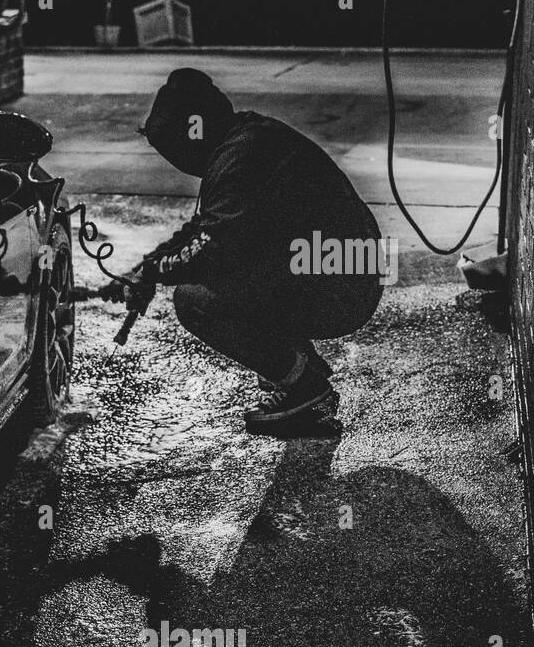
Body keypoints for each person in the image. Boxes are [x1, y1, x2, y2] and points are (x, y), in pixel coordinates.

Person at [119, 68, 384, 435]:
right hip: (344, 270)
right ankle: (302, 364)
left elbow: (211, 250)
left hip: (343, 288)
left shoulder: (240, 158)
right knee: (241, 264)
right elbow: (205, 227)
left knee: (196, 300)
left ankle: (303, 385)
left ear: (192, 133)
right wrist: (149, 264)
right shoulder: (245, 139)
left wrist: (155, 273)